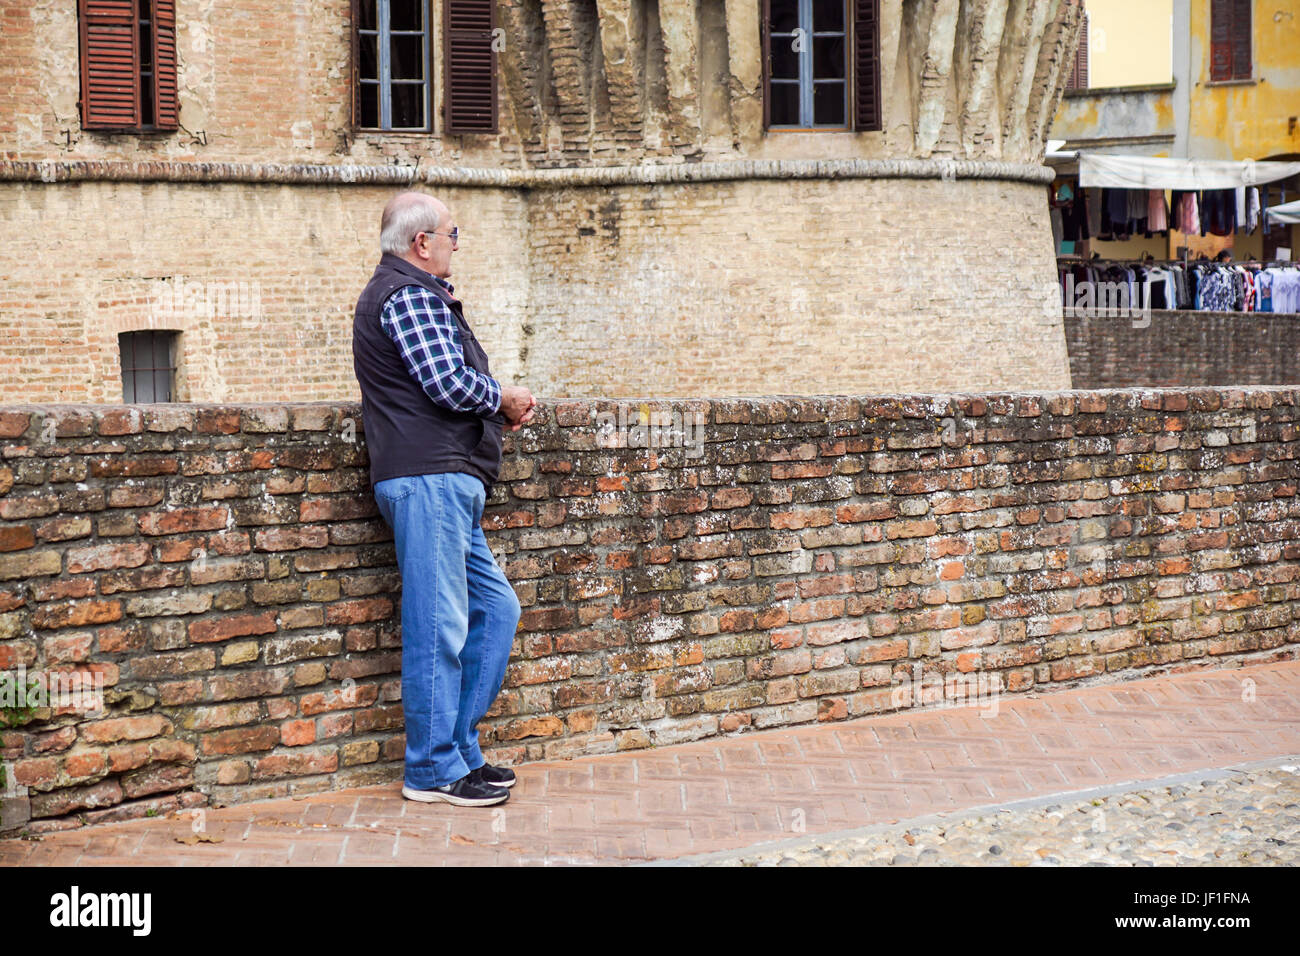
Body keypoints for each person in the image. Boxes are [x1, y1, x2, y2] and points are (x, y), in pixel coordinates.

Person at [352, 191, 537, 807]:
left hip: (445, 480)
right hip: (427, 478)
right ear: (420, 243)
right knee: (438, 626)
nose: (457, 242)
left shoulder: (419, 292)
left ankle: (456, 749)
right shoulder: (407, 293)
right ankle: (431, 770)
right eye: (452, 233)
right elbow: (448, 383)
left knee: (496, 609)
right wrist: (502, 399)